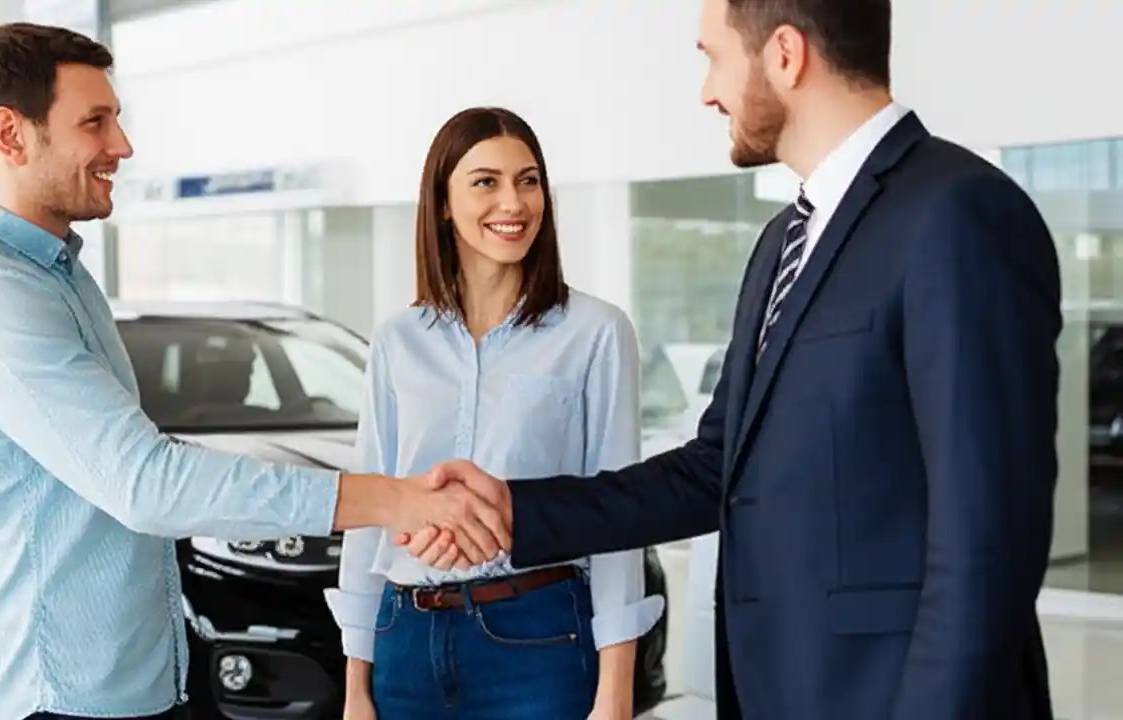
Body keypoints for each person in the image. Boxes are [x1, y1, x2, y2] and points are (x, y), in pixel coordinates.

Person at [404, 1, 1062, 718]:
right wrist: (515, 508)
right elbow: (714, 468)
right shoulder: (783, 241)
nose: (707, 92)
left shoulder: (958, 213)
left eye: (712, 57)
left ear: (785, 55)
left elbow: (985, 547)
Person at [0, 23, 507, 720]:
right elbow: (144, 482)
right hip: (54, 702)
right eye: (95, 122)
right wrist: (396, 500)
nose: (121, 146)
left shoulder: (60, 275)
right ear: (10, 134)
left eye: (117, 121)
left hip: (131, 691)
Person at [324, 107, 664, 720]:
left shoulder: (596, 333)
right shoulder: (398, 339)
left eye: (528, 180)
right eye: (486, 181)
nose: (513, 201)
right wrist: (357, 686)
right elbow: (371, 505)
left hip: (538, 640)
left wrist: (615, 696)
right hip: (404, 640)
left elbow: (618, 518)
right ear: (444, 203)